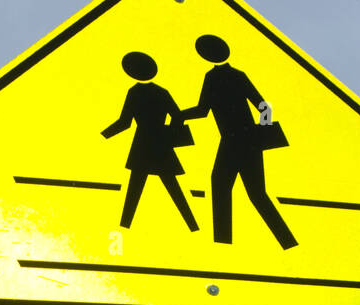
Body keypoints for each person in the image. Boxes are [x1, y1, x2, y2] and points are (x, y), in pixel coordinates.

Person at [182, 34, 297, 248]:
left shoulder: (216, 77)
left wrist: (179, 116)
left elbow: (204, 110)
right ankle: (285, 241)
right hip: (243, 141)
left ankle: (224, 242)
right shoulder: (232, 75)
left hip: (235, 140)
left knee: (226, 187)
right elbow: (264, 107)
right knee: (250, 192)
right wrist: (259, 135)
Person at [102, 52, 199, 231]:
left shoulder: (135, 92)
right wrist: (168, 134)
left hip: (143, 144)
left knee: (135, 189)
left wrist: (104, 136)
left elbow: (125, 122)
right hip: (161, 143)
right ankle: (192, 226)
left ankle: (124, 226)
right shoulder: (162, 92)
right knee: (172, 187)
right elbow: (177, 116)